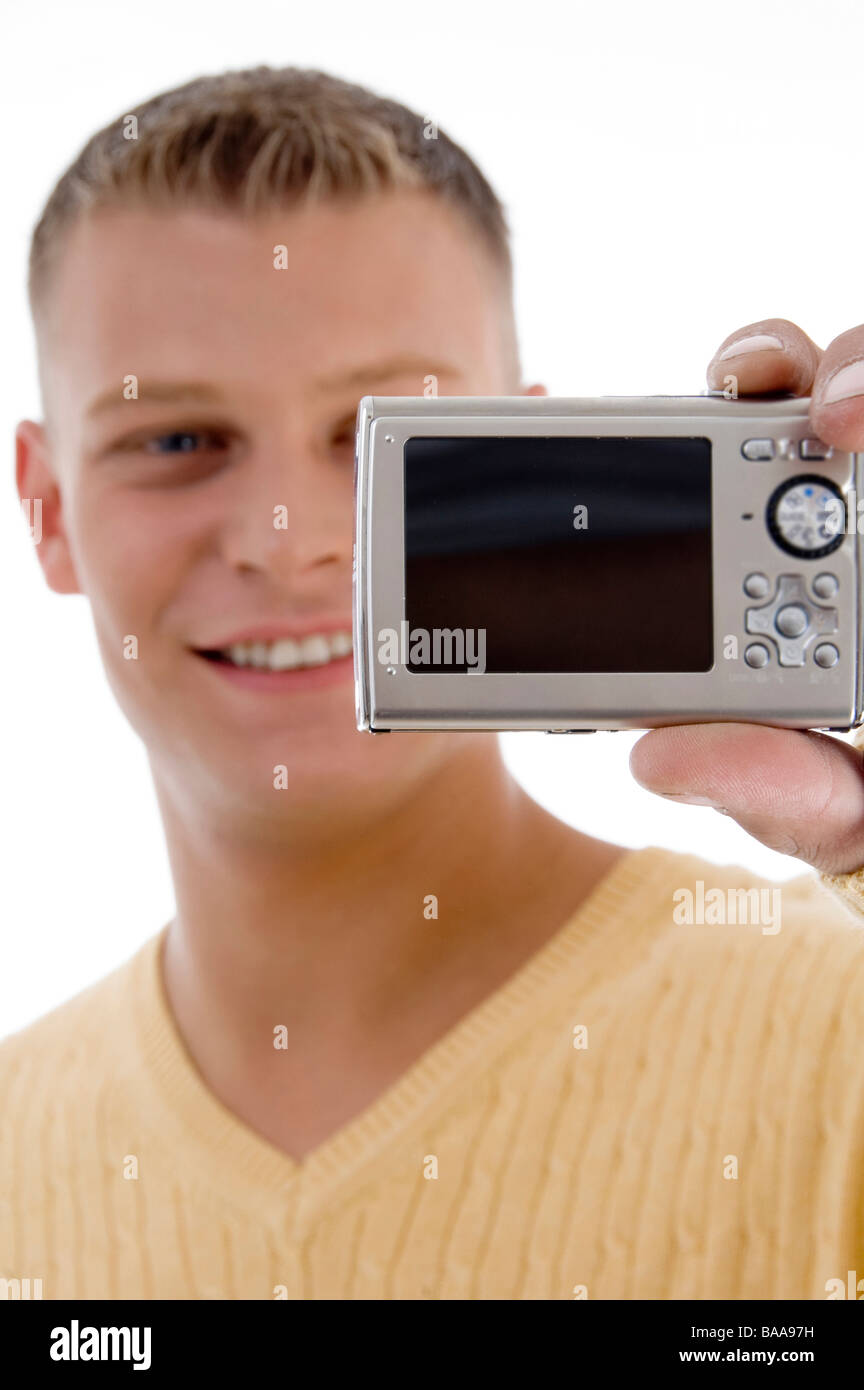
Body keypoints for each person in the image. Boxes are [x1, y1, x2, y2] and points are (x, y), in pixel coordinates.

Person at [3, 64, 864, 1302]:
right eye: (177, 440)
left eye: (378, 436)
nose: (291, 537)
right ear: (46, 508)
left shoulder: (839, 1027)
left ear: (534, 460)